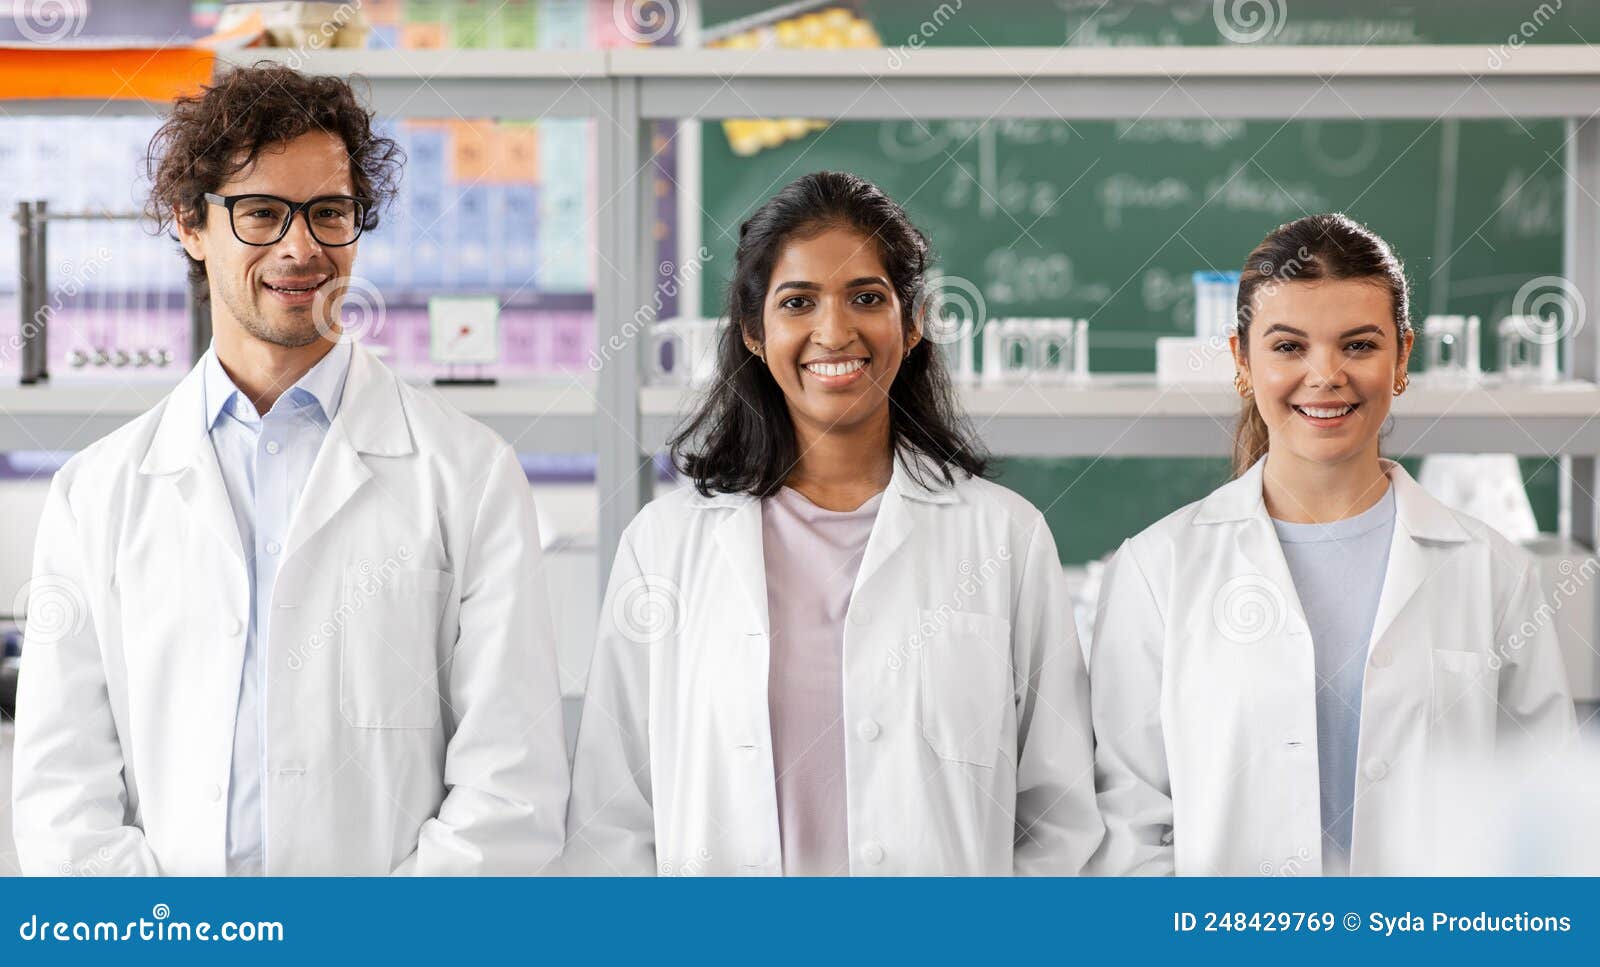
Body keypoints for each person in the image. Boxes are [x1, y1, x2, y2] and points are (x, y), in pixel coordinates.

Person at [11, 64, 568, 875]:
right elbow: (64, 795)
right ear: (190, 226)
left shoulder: (469, 476)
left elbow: (511, 790)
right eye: (261, 212)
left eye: (329, 213)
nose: (301, 247)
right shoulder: (96, 494)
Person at [565, 171, 1102, 875]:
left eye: (867, 298)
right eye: (798, 302)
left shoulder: (1003, 539)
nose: (834, 331)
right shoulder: (664, 546)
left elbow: (1060, 821)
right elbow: (613, 824)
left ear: (912, 324)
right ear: (755, 333)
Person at [1090, 212, 1576, 876]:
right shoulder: (1156, 570)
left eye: (1358, 345)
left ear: (1402, 358)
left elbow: (1541, 826)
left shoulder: (1494, 573)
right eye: (1289, 346)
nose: (1325, 375)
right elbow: (1130, 833)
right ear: (1241, 360)